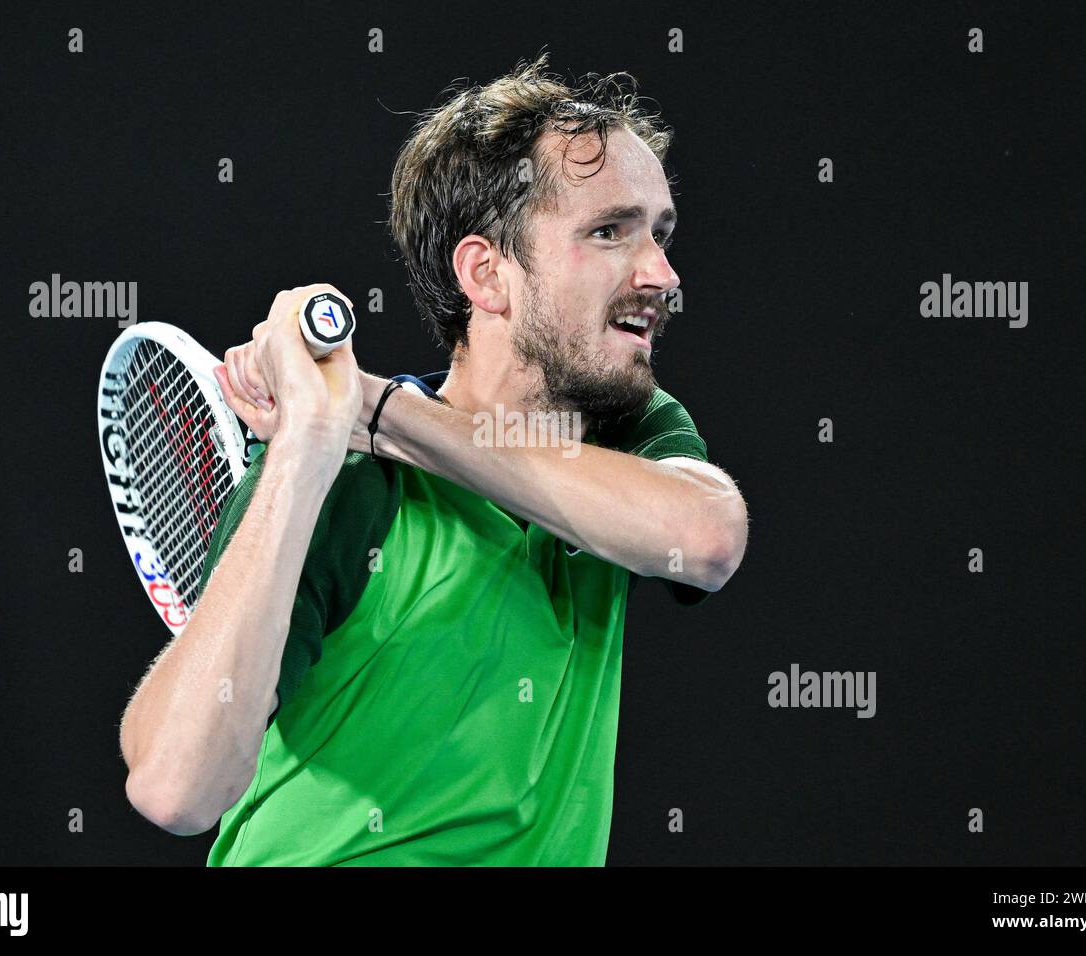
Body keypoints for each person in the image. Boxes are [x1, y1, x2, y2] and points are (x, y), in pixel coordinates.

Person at [118, 52, 749, 865]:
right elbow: (175, 789)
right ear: (487, 274)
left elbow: (705, 539)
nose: (663, 274)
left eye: (659, 234)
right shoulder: (350, 484)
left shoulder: (623, 430)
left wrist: (379, 407)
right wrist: (312, 439)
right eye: (609, 231)